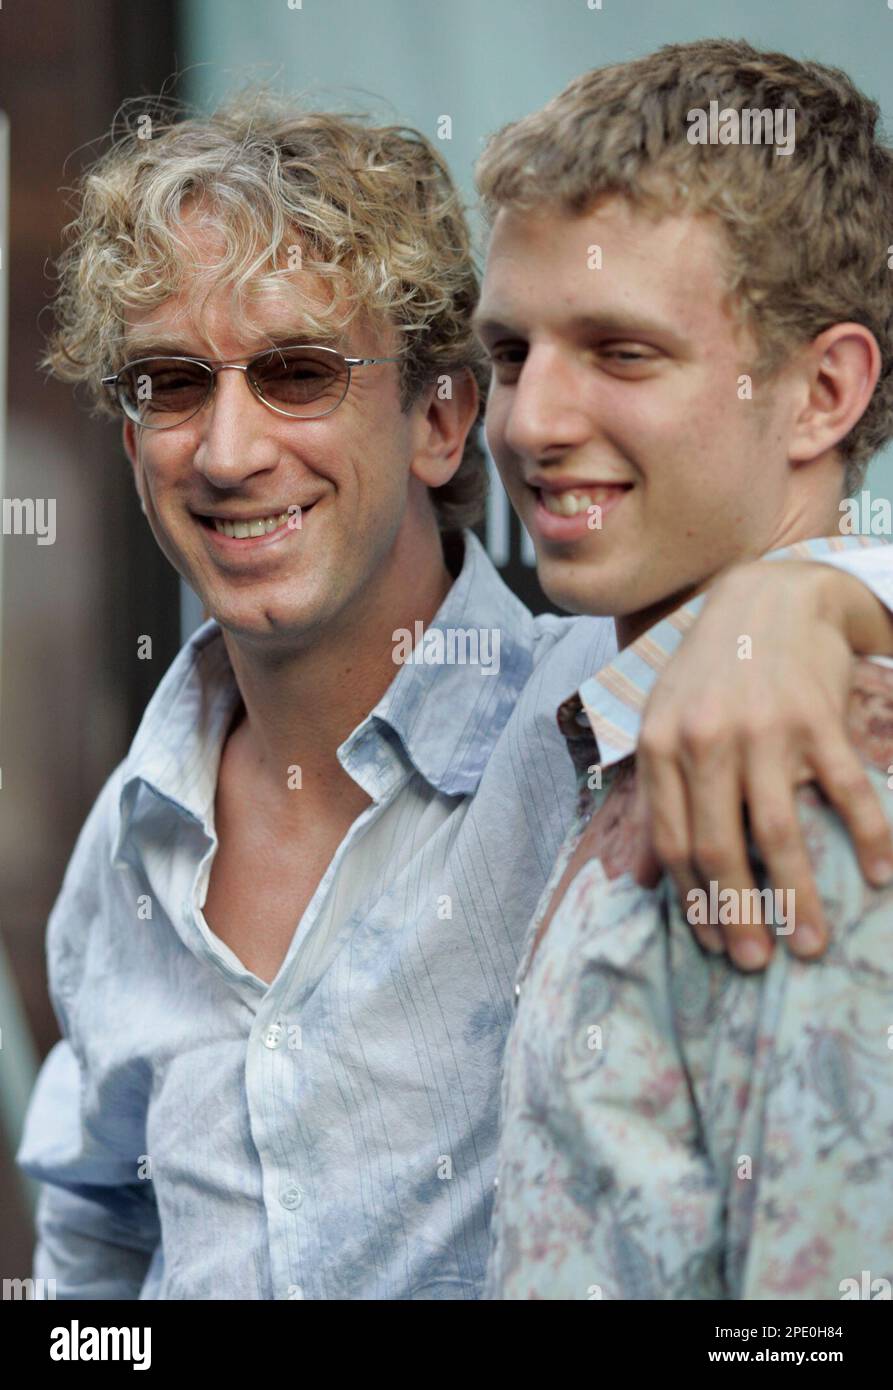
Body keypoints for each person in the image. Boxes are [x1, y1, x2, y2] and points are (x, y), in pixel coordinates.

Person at [15, 81, 893, 1300]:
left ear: (440, 417)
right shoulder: (127, 837)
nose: (224, 452)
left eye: (298, 372)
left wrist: (815, 593)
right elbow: (93, 1246)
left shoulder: (610, 717)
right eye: (169, 384)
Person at [474, 38, 893, 1299]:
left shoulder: (813, 783)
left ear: (821, 390)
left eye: (620, 352)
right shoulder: (617, 704)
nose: (529, 424)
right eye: (509, 354)